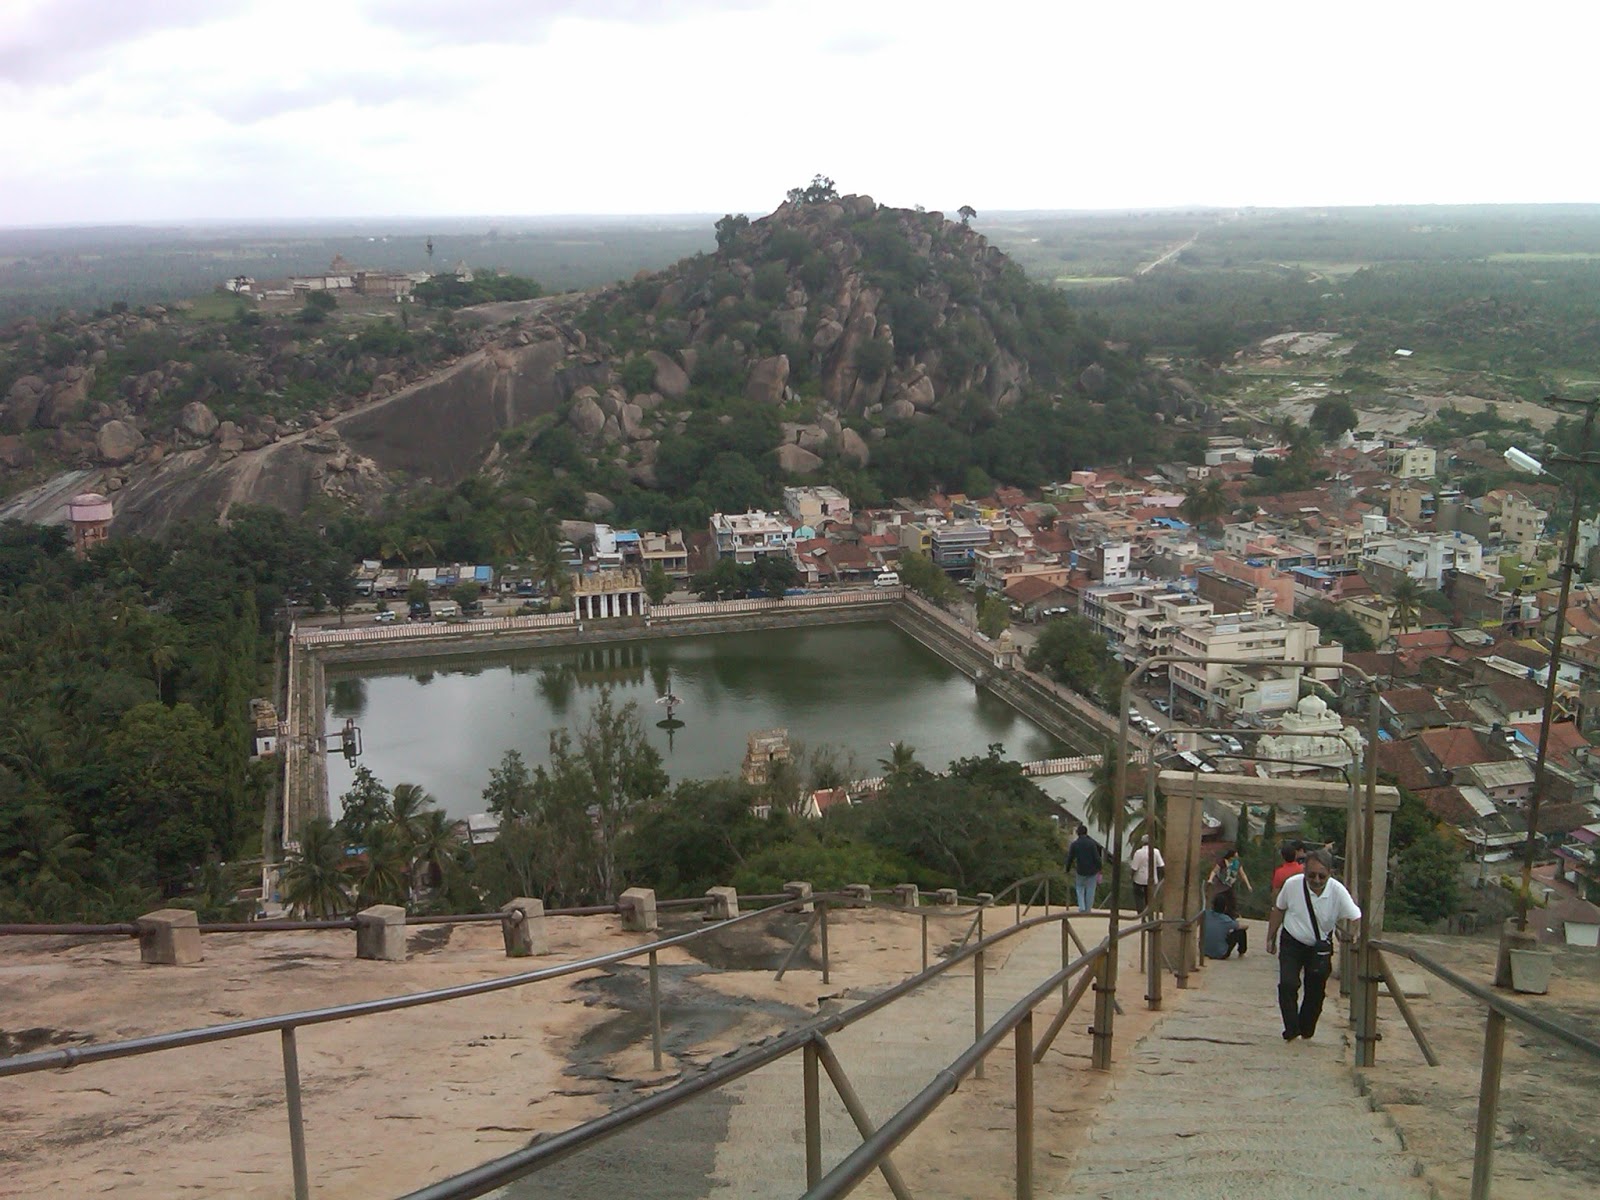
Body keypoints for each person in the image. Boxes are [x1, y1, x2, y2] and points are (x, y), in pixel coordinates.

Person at [1268, 848, 1361, 1042]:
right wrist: (1271, 936)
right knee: (1288, 983)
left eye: (1321, 876)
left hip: (1319, 947)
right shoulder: (1292, 885)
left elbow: (1355, 916)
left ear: (1330, 874)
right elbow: (1279, 909)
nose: (1316, 880)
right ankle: (1291, 1028)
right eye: (1311, 875)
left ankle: (1306, 1027)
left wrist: (1352, 934)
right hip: (1292, 940)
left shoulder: (1337, 891)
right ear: (1304, 872)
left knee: (1315, 990)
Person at [1207, 847, 1252, 917]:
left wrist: (1248, 885)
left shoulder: (1237, 863)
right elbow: (1214, 871)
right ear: (1230, 857)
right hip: (1221, 884)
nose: (1236, 859)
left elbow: (1242, 874)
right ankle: (1216, 914)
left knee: (1232, 901)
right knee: (1220, 899)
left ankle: (1231, 916)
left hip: (1230, 885)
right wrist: (1210, 879)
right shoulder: (1222, 862)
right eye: (1235, 857)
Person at [1067, 824, 1102, 913]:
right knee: (1091, 889)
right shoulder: (1092, 843)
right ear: (1086, 832)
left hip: (1080, 870)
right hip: (1092, 870)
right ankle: (1088, 909)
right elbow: (1096, 857)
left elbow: (1070, 858)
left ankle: (1082, 907)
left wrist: (1067, 869)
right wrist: (1100, 868)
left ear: (1078, 833)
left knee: (1079, 888)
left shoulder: (1075, 844)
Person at [1201, 894, 1247, 959]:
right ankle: (1241, 952)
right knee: (1240, 932)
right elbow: (1242, 927)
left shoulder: (1206, 914)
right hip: (1221, 954)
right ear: (1225, 907)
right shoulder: (1226, 920)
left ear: (1213, 905)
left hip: (1203, 951)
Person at [1129, 835, 1164, 912]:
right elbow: (1161, 865)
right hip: (1152, 879)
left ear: (1142, 842)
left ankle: (1141, 913)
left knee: (1139, 897)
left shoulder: (1138, 852)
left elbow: (1134, 868)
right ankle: (1149, 913)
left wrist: (1131, 876)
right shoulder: (1156, 852)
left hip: (1139, 879)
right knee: (1150, 898)